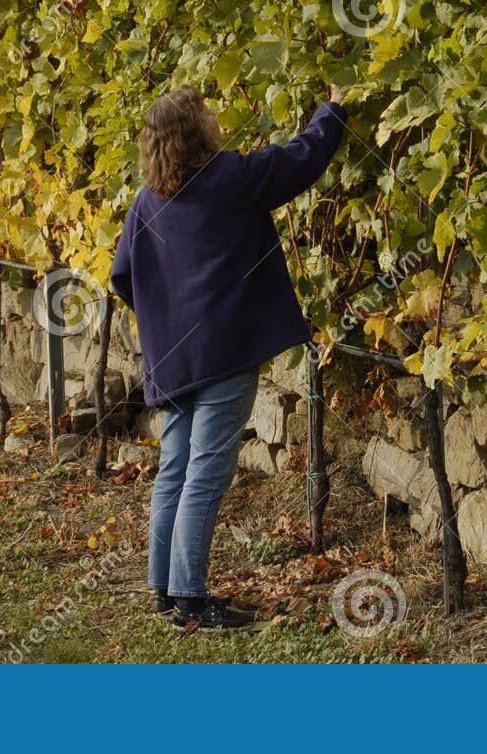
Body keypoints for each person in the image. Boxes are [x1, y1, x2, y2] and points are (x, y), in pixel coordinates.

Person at [110, 83, 346, 630]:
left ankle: (164, 590)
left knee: (174, 468)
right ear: (196, 132)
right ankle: (190, 599)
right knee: (207, 473)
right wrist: (331, 110)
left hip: (172, 360)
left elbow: (123, 276)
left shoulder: (145, 203)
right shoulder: (230, 178)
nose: (216, 118)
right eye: (207, 114)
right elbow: (301, 160)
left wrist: (164, 311)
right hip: (223, 353)